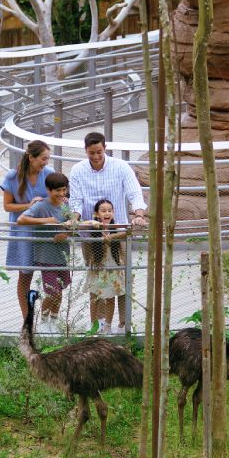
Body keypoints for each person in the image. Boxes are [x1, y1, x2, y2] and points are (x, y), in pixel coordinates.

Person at [68, 131, 147, 332]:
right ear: (86, 151)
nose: (96, 156)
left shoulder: (120, 167)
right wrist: (75, 219)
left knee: (121, 278)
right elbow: (76, 200)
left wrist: (138, 214)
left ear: (105, 149)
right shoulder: (77, 170)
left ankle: (123, 323)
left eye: (99, 152)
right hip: (91, 237)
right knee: (96, 278)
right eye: (91, 153)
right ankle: (100, 325)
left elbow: (134, 191)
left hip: (117, 234)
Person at [0, 140, 54, 318]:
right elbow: (7, 206)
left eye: (48, 159)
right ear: (31, 157)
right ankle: (27, 319)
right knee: (25, 276)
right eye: (43, 159)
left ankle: (48, 317)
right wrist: (28, 205)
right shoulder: (12, 176)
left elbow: (56, 199)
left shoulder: (49, 175)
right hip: (23, 232)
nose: (45, 162)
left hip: (44, 231)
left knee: (51, 277)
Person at [18, 172, 77, 332]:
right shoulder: (41, 205)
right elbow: (21, 220)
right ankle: (43, 322)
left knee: (60, 290)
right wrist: (47, 220)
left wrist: (66, 233)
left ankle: (54, 320)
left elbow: (74, 225)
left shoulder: (65, 205)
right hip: (46, 256)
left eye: (64, 190)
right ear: (49, 190)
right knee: (53, 292)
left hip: (62, 255)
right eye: (57, 190)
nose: (61, 194)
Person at [82, 199, 129, 334]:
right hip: (96, 269)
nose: (107, 213)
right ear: (97, 214)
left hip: (112, 268)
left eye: (110, 210)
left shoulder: (116, 228)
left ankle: (108, 325)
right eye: (103, 211)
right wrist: (92, 222)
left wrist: (112, 236)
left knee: (110, 298)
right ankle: (94, 325)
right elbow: (78, 226)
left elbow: (128, 232)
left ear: (113, 213)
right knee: (94, 298)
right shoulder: (93, 229)